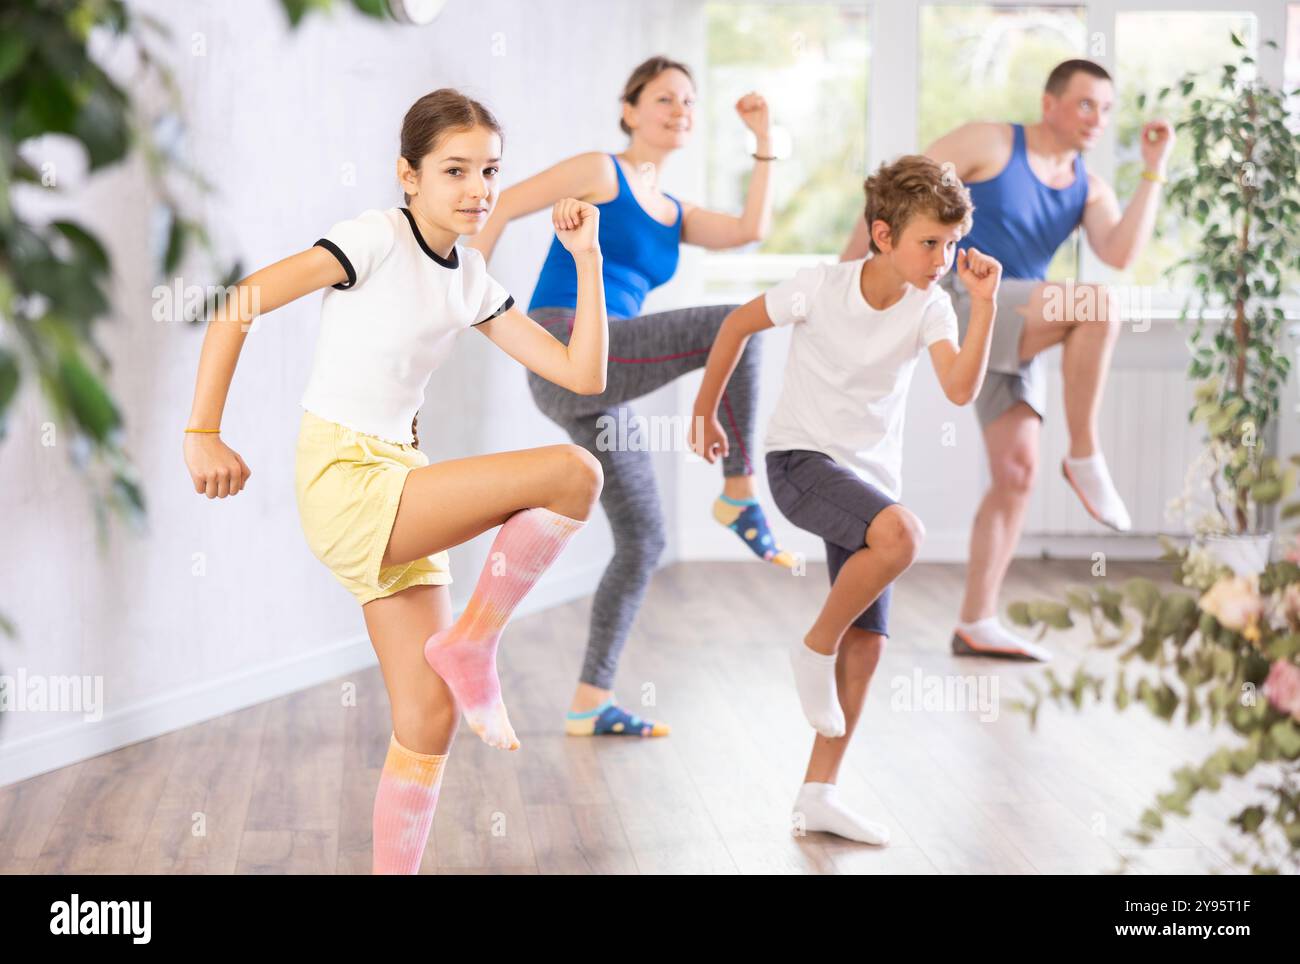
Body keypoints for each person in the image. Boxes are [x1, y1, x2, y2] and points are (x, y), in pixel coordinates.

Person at [183, 89, 610, 874]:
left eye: (489, 170)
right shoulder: (374, 238)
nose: (477, 188)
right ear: (407, 176)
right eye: (454, 170)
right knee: (572, 472)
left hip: (400, 478)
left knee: (428, 718)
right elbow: (236, 304)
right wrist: (202, 431)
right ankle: (475, 642)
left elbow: (582, 375)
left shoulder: (470, 277)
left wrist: (587, 261)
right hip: (346, 478)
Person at [469, 55, 792, 738]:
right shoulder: (599, 171)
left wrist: (764, 141)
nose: (680, 110)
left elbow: (749, 231)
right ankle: (739, 489)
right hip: (564, 343)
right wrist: (474, 294)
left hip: (599, 380)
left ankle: (590, 699)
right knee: (739, 324)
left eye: (688, 102)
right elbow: (503, 204)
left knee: (643, 538)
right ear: (630, 109)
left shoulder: (676, 212)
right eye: (665, 98)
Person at [692, 155, 1000, 843]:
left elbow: (958, 388)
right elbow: (736, 325)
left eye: (951, 244)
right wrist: (704, 410)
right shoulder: (820, 288)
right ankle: (812, 648)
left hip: (867, 486)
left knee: (870, 644)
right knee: (905, 536)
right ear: (883, 236)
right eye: (930, 243)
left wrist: (985, 306)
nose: (943, 258)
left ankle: (818, 795)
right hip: (800, 461)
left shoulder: (934, 305)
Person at [840, 59, 1174, 661]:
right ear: (1049, 104)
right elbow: (897, 195)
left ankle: (977, 621)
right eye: (1084, 104)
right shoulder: (990, 142)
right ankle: (1085, 454)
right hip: (965, 298)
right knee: (1095, 304)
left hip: (1018, 316)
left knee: (1017, 473)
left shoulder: (1086, 185)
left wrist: (1153, 172)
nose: (1096, 119)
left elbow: (1120, 252)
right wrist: (844, 285)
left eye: (1105, 108)